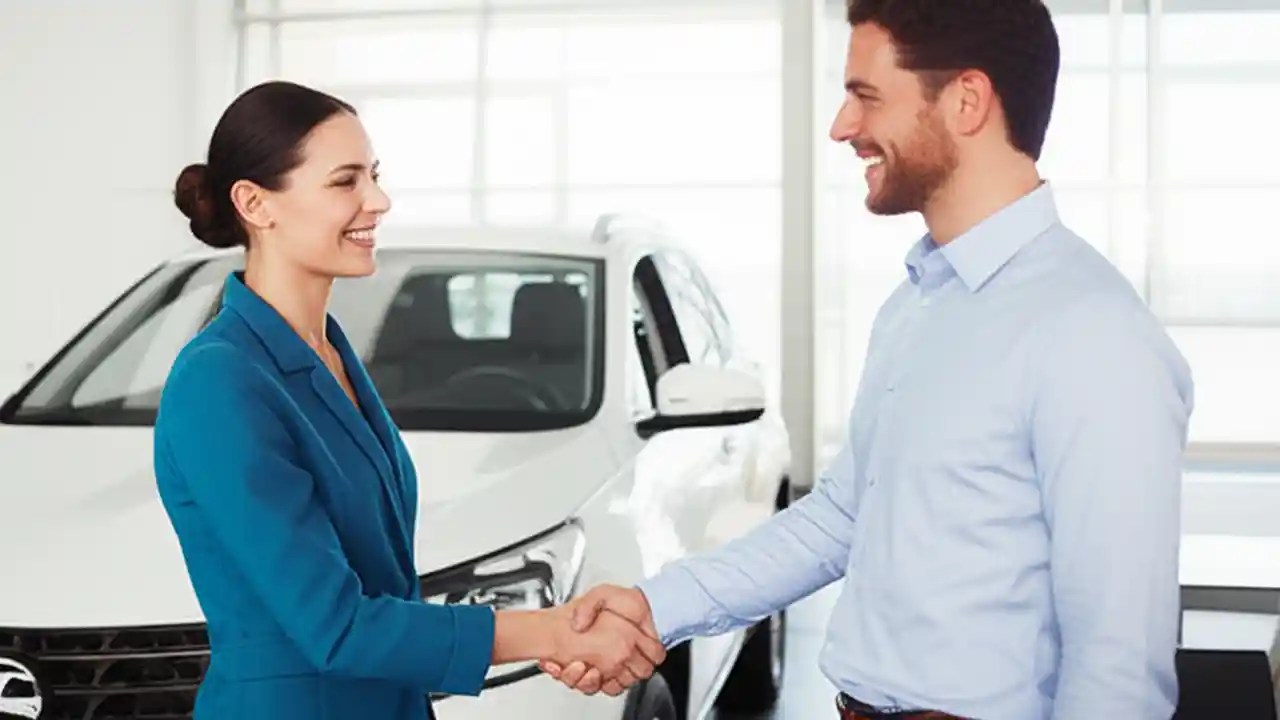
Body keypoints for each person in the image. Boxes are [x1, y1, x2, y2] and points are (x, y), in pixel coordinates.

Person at [543, 1, 1195, 718]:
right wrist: (651, 607)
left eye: (865, 95)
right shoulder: (917, 306)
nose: (841, 127)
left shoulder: (1093, 334)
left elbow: (1117, 667)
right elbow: (842, 518)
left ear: (966, 101)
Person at [154, 80, 664, 720]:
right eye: (346, 182)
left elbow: (381, 583)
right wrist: (552, 631)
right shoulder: (221, 382)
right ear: (256, 204)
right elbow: (336, 625)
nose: (379, 200)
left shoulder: (328, 356)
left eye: (374, 175)